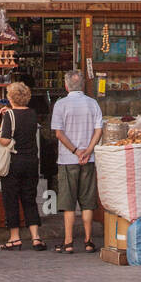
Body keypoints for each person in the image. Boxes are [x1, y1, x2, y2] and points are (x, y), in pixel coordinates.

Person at [51, 71, 103, 253]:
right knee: (88, 202)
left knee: (68, 202)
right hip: (89, 159)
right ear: (82, 85)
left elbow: (58, 133)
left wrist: (75, 151)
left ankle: (68, 241)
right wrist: (88, 150)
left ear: (66, 86)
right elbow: (99, 130)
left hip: (67, 159)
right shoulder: (93, 103)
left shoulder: (60, 104)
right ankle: (88, 241)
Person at [0, 82, 45, 251]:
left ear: (11, 97)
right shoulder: (32, 114)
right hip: (31, 161)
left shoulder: (10, 116)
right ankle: (36, 237)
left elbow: (7, 140)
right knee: (30, 199)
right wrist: (7, 114)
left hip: (14, 162)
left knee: (11, 199)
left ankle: (14, 238)